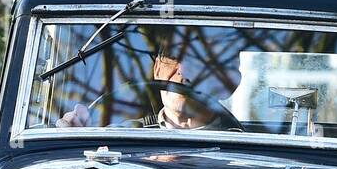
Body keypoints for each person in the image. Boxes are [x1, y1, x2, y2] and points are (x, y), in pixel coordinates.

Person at [58, 53, 227, 129]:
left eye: (197, 58)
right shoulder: (123, 136)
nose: (182, 70)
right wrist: (75, 133)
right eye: (173, 57)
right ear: (157, 69)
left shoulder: (242, 144)